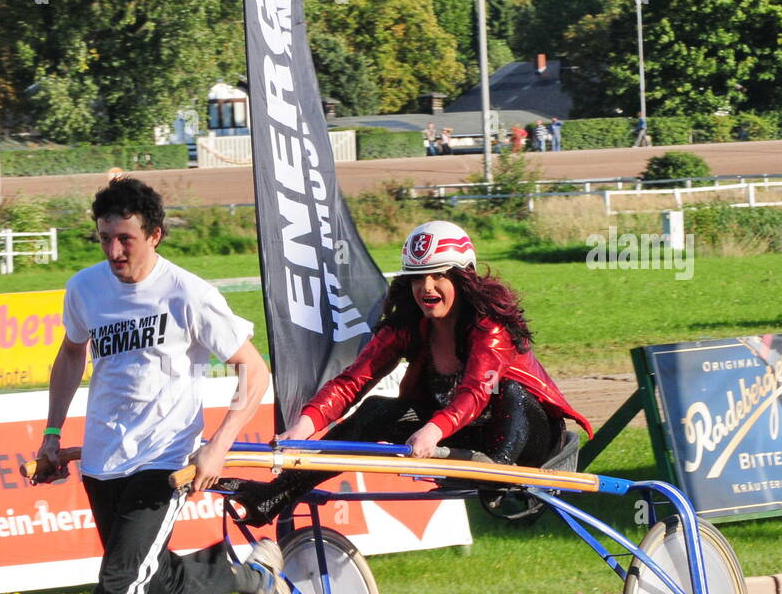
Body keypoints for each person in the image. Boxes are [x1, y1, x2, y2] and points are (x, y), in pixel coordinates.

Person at [34, 177, 289, 594]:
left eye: (125, 240)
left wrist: (217, 445)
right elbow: (72, 355)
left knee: (116, 590)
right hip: (102, 467)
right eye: (104, 240)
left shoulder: (187, 294)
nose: (114, 253)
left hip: (164, 466)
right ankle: (244, 571)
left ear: (155, 234)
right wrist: (50, 433)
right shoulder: (85, 289)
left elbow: (252, 370)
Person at [226, 219, 593, 527]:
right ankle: (269, 498)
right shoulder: (407, 325)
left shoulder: (489, 327)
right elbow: (354, 381)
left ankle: (498, 475)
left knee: (508, 390)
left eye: (437, 276)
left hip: (529, 441)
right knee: (374, 411)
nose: (426, 288)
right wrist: (304, 427)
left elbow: (477, 391)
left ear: (463, 279)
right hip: (466, 438)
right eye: (417, 278)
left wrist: (432, 431)